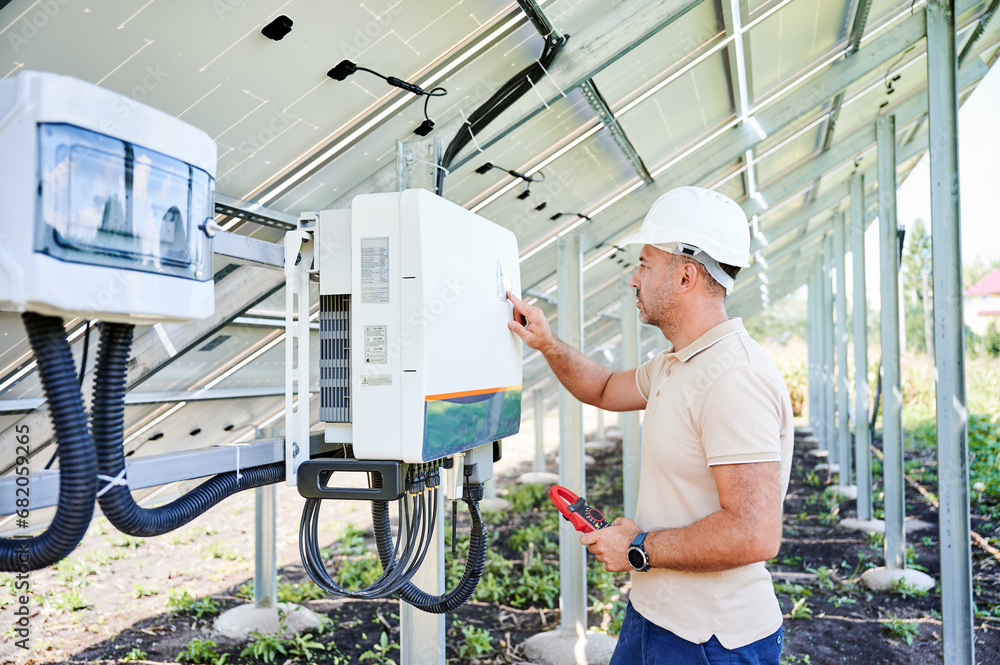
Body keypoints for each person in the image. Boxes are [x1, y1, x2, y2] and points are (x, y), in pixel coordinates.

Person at [506, 186, 794, 664]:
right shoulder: (676, 364)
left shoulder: (733, 378)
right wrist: (548, 343)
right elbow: (600, 388)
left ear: (684, 277)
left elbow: (753, 533)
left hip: (710, 640)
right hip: (654, 616)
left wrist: (637, 547)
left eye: (645, 264)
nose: (634, 279)